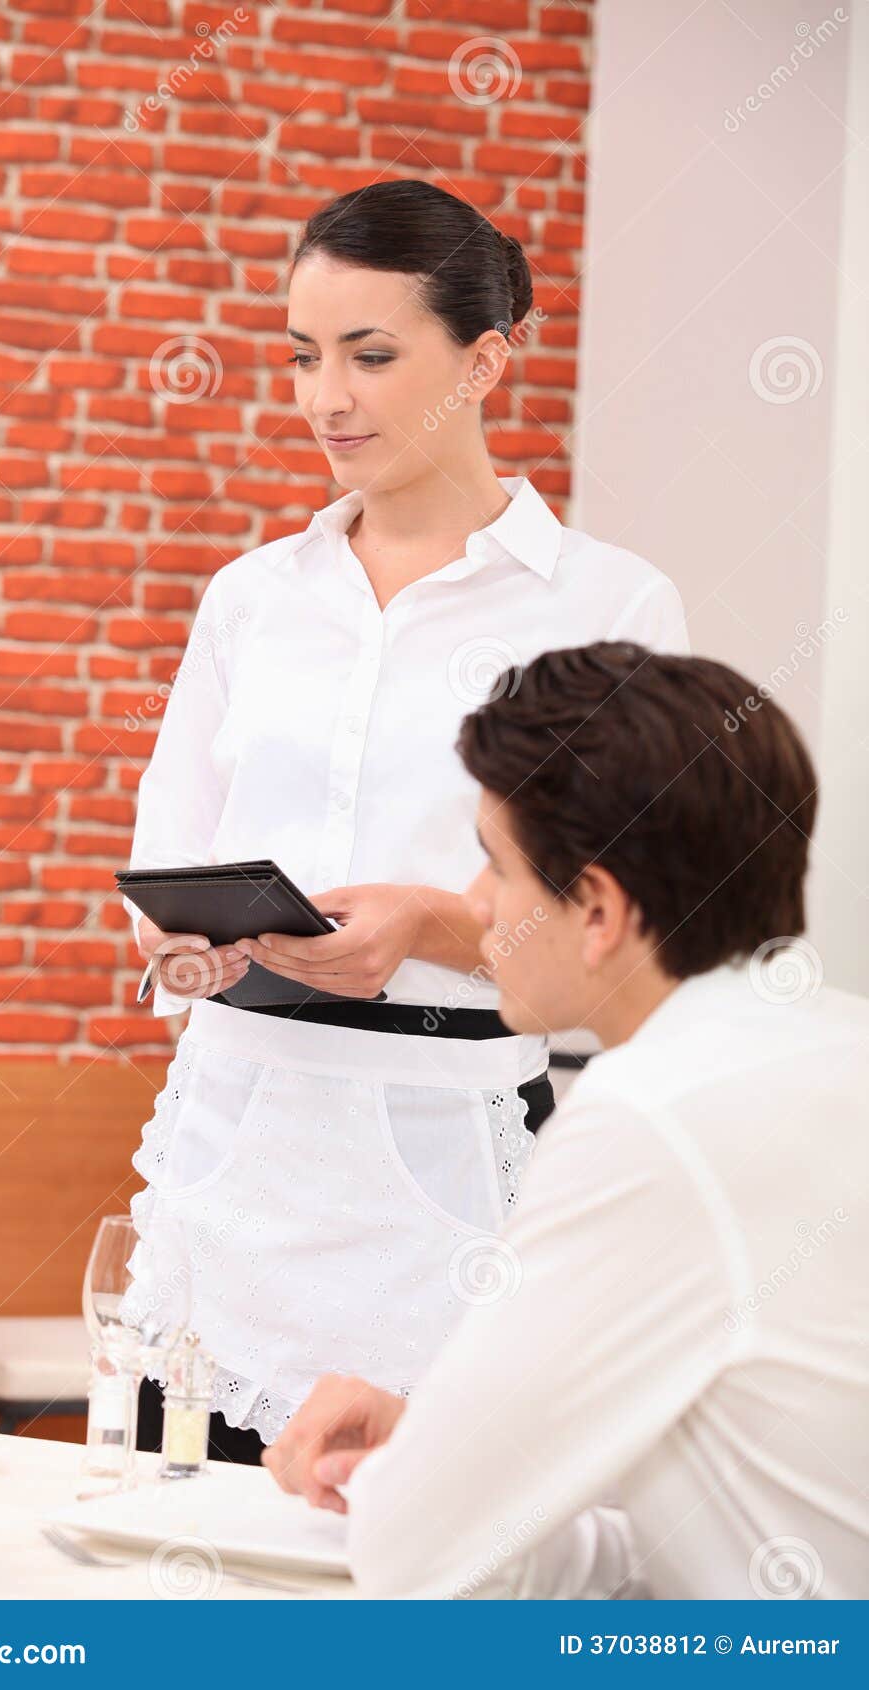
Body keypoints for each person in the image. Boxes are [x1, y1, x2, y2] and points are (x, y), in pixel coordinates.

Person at [121, 178, 688, 1465]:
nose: (325, 397)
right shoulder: (251, 599)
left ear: (483, 361)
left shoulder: (607, 608)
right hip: (232, 1154)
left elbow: (639, 932)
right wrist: (181, 939)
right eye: (302, 355)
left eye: (369, 355)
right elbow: (167, 861)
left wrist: (427, 924)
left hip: (448, 1163)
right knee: (178, 1536)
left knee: (419, 1544)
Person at [262, 641, 869, 1599]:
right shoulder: (829, 1046)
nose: (474, 907)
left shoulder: (652, 1116)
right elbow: (707, 1542)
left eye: (493, 866)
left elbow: (410, 1564)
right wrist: (451, 1460)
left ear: (596, 911)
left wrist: (413, 1482)